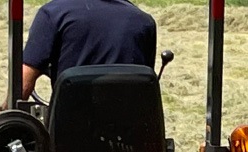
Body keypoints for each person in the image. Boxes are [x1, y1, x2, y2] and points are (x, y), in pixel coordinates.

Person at [18, 0, 158, 102]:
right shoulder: (144, 21)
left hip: (71, 128)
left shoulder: (53, 13)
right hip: (129, 130)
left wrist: (1, 111)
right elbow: (144, 85)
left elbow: (22, 87)